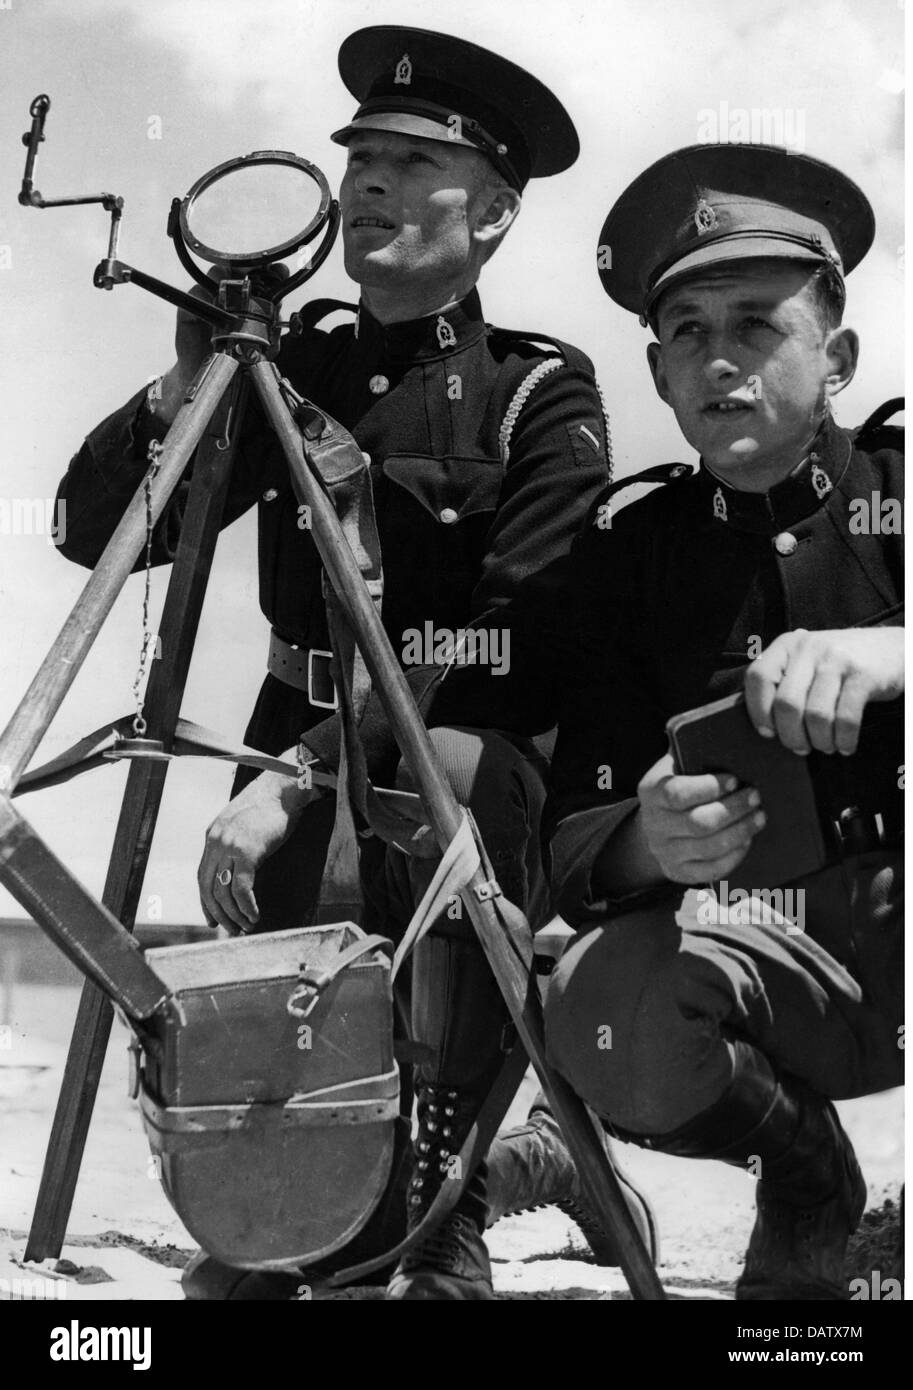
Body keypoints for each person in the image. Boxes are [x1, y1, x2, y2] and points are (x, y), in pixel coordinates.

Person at [55, 26, 654, 1299]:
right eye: (362, 159)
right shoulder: (295, 358)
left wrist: (293, 772)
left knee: (436, 820)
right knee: (281, 992)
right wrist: (185, 386)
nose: (371, 182)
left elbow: (518, 644)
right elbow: (87, 535)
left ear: (491, 213)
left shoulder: (535, 392)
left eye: (409, 163)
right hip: (290, 732)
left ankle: (442, 1220)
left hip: (463, 751)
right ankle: (331, 1210)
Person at [543, 142, 903, 1301]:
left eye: (756, 322)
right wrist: (647, 837)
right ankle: (804, 1168)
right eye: (688, 332)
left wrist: (897, 651)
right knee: (598, 1007)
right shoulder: (626, 555)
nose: (720, 358)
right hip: (762, 953)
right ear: (656, 373)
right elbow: (570, 829)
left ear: (835, 357)